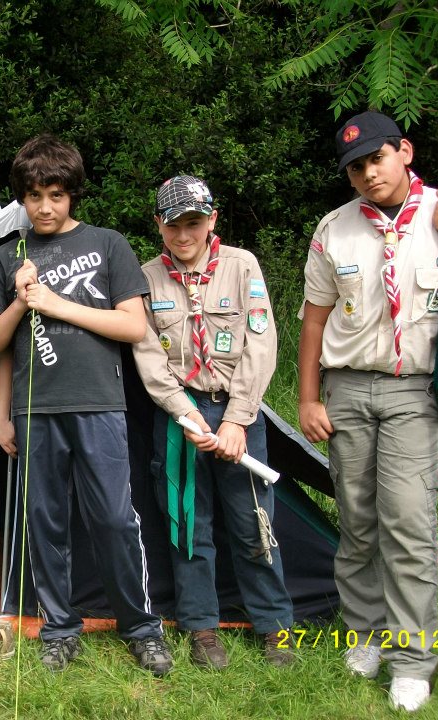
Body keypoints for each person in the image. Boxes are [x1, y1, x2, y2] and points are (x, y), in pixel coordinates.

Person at [298, 111, 438, 712]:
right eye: (355, 167)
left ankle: (413, 656)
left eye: (376, 159)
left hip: (416, 392)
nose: (367, 174)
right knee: (358, 521)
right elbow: (314, 317)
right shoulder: (334, 229)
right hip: (348, 389)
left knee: (408, 524)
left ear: (404, 152)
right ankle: (366, 634)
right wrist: (309, 397)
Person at [0, 134, 173, 676]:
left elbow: (133, 325)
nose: (44, 207)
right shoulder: (6, 258)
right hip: (35, 412)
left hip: (100, 405)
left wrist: (57, 303)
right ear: (20, 197)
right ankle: (59, 629)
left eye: (56, 195)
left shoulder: (108, 245)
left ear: (72, 196)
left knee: (113, 519)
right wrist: (20, 303)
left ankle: (141, 628)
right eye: (34, 196)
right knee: (46, 521)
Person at [132, 175, 295, 669]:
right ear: (158, 224)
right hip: (180, 416)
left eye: (194, 223)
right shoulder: (145, 277)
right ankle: (201, 627)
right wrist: (184, 414)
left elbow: (261, 344)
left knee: (253, 523)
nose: (184, 235)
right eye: (173, 224)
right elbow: (147, 355)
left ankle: (276, 628)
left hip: (237, 412)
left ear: (212, 220)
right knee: (187, 524)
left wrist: (238, 419)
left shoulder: (242, 266)